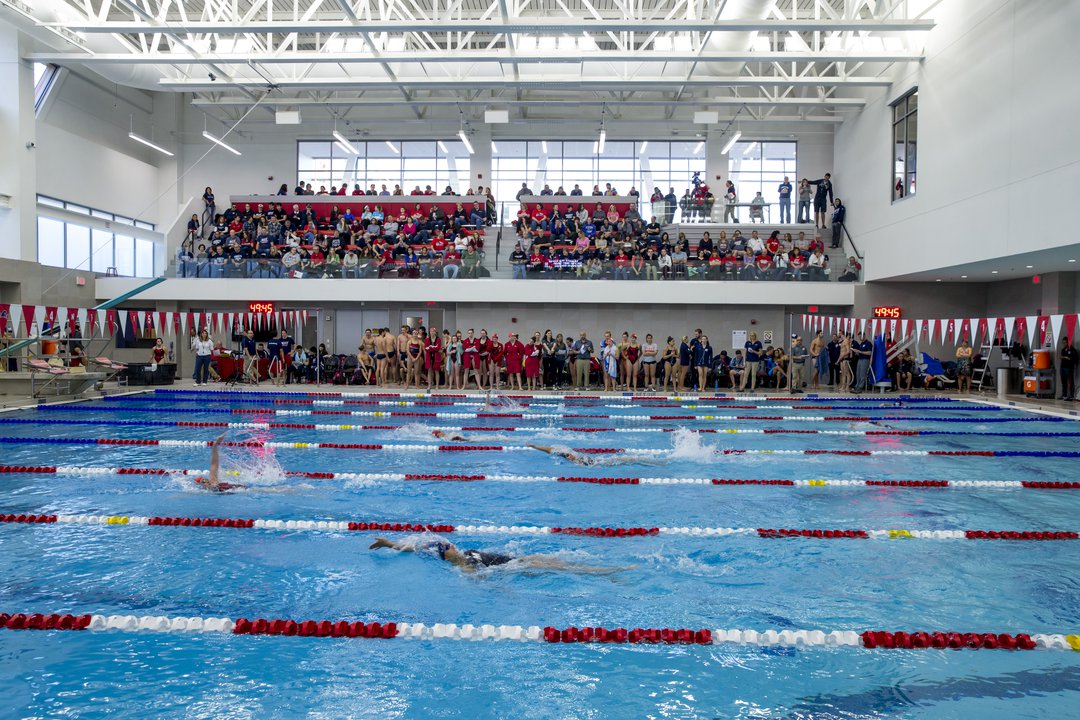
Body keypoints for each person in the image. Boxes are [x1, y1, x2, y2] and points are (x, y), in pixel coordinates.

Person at [369, 536, 623, 575]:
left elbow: (413, 548)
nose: (453, 545)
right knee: (561, 567)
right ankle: (603, 573)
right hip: (519, 569)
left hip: (517, 562)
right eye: (449, 547)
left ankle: (601, 571)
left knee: (557, 562)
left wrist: (386, 543)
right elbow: (479, 581)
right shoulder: (465, 565)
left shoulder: (466, 555)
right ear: (446, 555)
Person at [526, 443, 662, 467]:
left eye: (569, 455)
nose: (570, 456)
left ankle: (653, 461)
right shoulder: (573, 459)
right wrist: (535, 446)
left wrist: (535, 446)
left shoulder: (577, 459)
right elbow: (549, 450)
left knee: (630, 459)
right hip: (600, 463)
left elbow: (551, 449)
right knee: (630, 460)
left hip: (602, 462)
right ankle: (653, 461)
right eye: (568, 456)